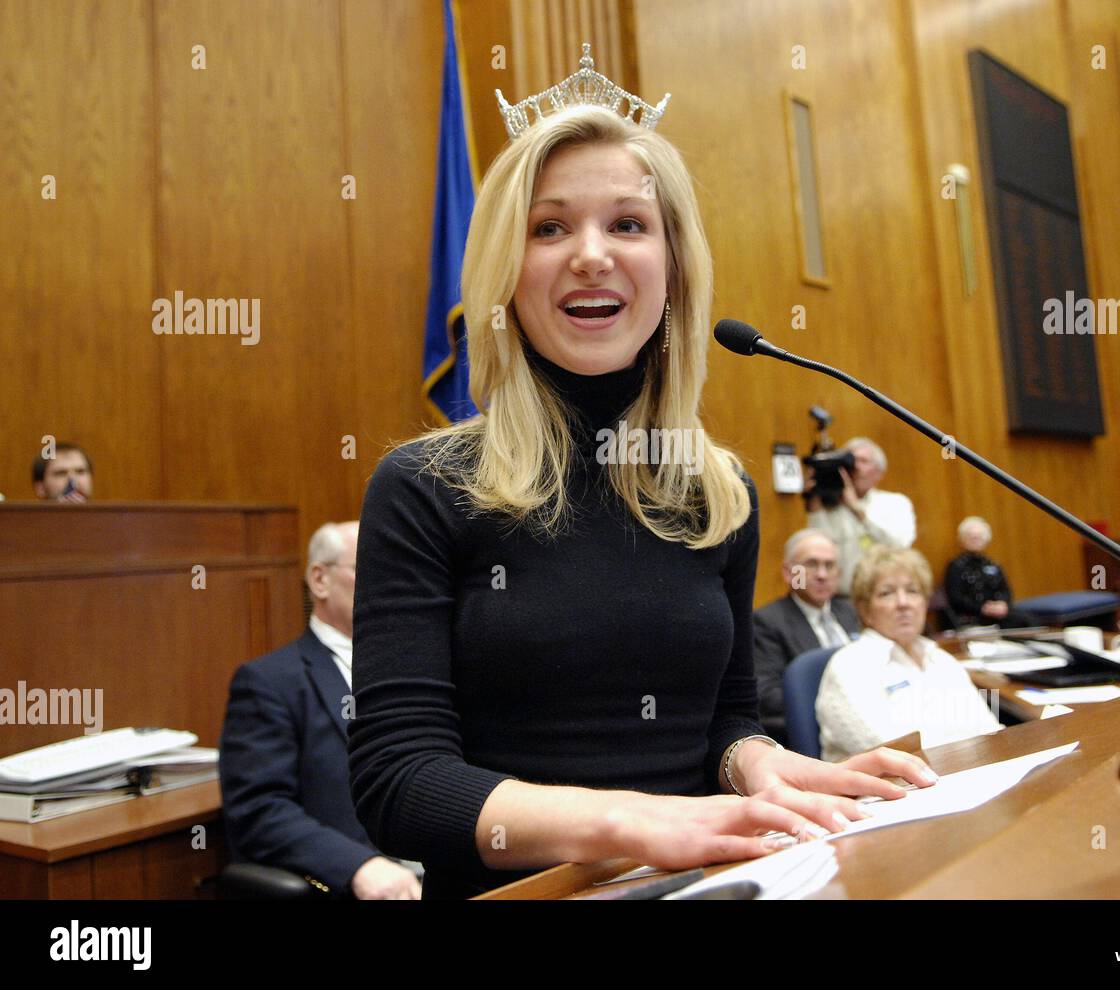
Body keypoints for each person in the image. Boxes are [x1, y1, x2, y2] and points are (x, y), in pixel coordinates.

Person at [348, 46, 936, 900]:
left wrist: (762, 768)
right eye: (548, 227)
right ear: (504, 274)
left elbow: (726, 720)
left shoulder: (719, 492)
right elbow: (398, 781)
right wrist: (630, 822)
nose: (590, 254)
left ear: (674, 266)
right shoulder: (424, 485)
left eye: (628, 223)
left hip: (713, 881)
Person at [219, 521, 422, 900]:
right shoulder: (269, 682)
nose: (394, 583)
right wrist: (357, 865)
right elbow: (258, 812)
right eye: (375, 569)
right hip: (359, 884)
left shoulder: (419, 667)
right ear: (320, 580)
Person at [816, 546, 1002, 761]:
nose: (903, 603)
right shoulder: (850, 666)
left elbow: (990, 731)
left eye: (912, 591)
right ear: (865, 610)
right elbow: (892, 756)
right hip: (893, 789)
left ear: (924, 603)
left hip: (968, 775)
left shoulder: (941, 659)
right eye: (887, 593)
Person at [752, 528, 859, 743]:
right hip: (816, 731)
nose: (822, 575)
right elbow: (767, 695)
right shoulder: (767, 621)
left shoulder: (848, 611)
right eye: (811, 564)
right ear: (789, 573)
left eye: (830, 565)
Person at [805, 437, 916, 595]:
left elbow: (899, 546)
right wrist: (815, 501)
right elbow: (818, 547)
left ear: (878, 473)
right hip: (840, 599)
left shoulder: (896, 503)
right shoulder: (830, 507)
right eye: (851, 460)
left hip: (883, 595)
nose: (855, 466)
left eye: (863, 461)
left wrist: (856, 509)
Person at [943, 516, 1033, 628]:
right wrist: (982, 608)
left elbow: (1006, 590)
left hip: (998, 614)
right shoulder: (956, 566)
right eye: (971, 536)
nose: (975, 539)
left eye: (979, 536)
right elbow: (955, 598)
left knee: (1027, 619)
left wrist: (1003, 604)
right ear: (962, 539)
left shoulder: (992, 564)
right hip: (973, 617)